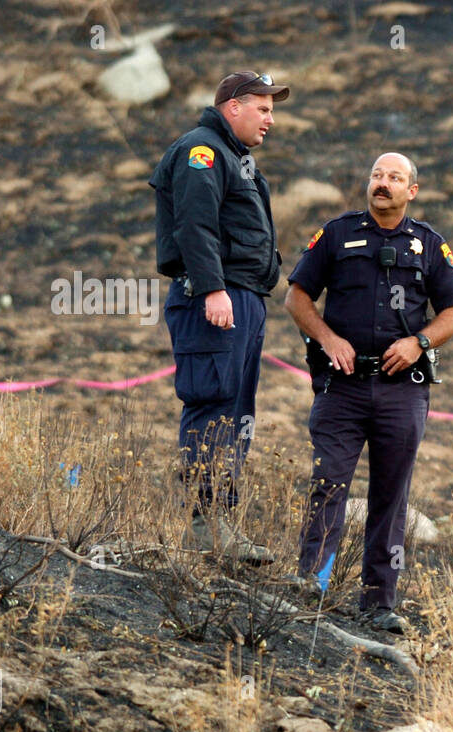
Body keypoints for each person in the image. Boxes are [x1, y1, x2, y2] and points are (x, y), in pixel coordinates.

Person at [285, 152, 453, 631]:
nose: (382, 184)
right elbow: (297, 296)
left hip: (401, 392)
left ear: (412, 191)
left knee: (392, 495)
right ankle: (312, 584)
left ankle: (378, 604)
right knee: (329, 482)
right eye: (376, 176)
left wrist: (419, 342)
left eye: (395, 178)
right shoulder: (337, 233)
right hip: (340, 387)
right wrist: (327, 339)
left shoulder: (428, 244)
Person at [149, 70, 290, 564]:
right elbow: (194, 223)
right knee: (212, 403)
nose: (271, 119)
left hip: (243, 299)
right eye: (264, 108)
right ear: (234, 106)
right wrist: (212, 287)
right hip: (215, 297)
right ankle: (204, 525)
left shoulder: (236, 158)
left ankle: (221, 525)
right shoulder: (202, 150)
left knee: (236, 411)